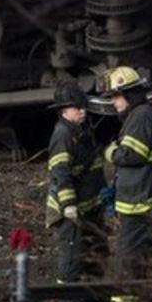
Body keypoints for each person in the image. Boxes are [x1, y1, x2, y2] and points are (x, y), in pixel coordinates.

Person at [100, 66, 152, 302]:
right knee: (145, 257)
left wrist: (111, 152)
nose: (113, 103)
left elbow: (134, 154)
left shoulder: (141, 116)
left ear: (129, 93)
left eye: (116, 96)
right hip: (146, 201)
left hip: (141, 204)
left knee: (128, 256)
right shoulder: (141, 115)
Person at [45, 80, 108, 284]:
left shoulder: (82, 130)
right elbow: (60, 174)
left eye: (84, 106)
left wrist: (103, 196)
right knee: (72, 257)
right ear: (63, 110)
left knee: (96, 252)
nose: (83, 111)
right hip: (70, 211)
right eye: (77, 107)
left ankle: (93, 296)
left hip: (89, 206)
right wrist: (69, 206)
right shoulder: (62, 135)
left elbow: (94, 168)